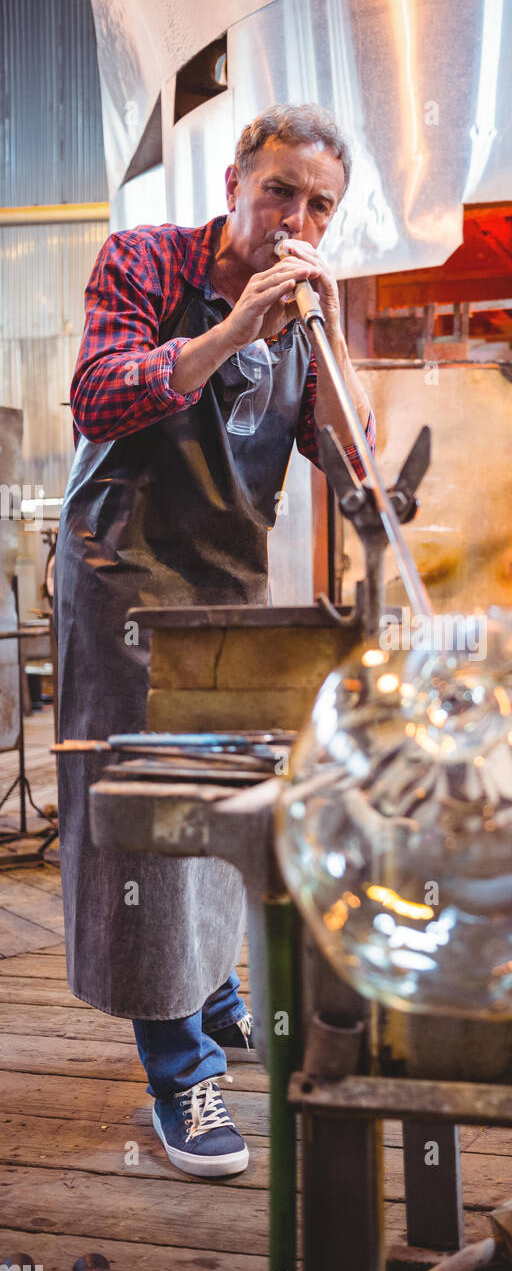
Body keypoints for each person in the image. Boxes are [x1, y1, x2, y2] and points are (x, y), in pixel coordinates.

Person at [53, 103, 374, 1178]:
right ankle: (178, 1069)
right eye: (278, 189)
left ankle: (219, 988)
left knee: (228, 793)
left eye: (318, 204)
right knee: (145, 821)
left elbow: (351, 463)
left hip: (226, 584)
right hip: (124, 581)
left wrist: (324, 344)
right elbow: (97, 394)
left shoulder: (309, 307)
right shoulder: (143, 260)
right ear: (236, 176)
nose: (295, 217)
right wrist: (236, 325)